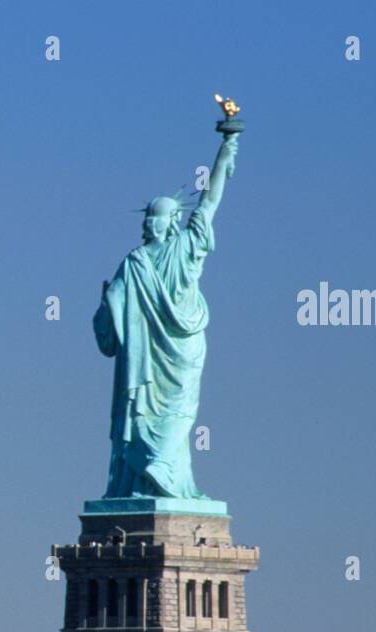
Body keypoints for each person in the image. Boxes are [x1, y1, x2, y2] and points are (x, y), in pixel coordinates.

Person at [92, 130, 238, 500]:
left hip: (162, 361)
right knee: (168, 421)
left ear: (163, 222)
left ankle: (154, 481)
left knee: (161, 420)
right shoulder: (158, 256)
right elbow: (210, 203)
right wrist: (224, 154)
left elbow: (209, 202)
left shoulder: (146, 259)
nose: (149, 223)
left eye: (153, 218)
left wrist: (225, 151)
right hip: (170, 357)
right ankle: (157, 482)